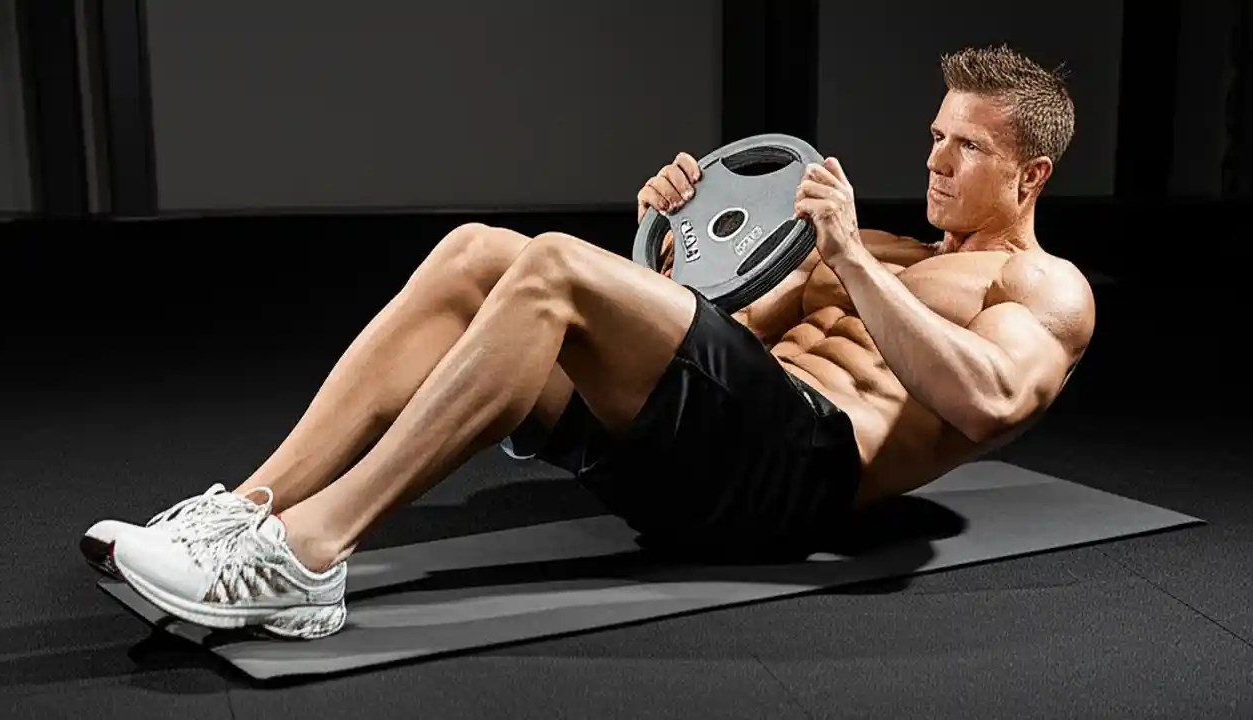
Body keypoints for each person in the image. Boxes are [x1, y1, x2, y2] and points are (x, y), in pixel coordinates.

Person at [84, 43, 1095, 639]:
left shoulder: (1040, 286)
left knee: (553, 265)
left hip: (796, 479)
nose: (937, 158)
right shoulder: (868, 239)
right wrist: (660, 250)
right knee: (483, 251)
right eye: (933, 135)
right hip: (704, 457)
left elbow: (986, 402)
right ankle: (246, 510)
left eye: (968, 146)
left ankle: (309, 557)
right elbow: (712, 339)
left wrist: (853, 264)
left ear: (1031, 174)